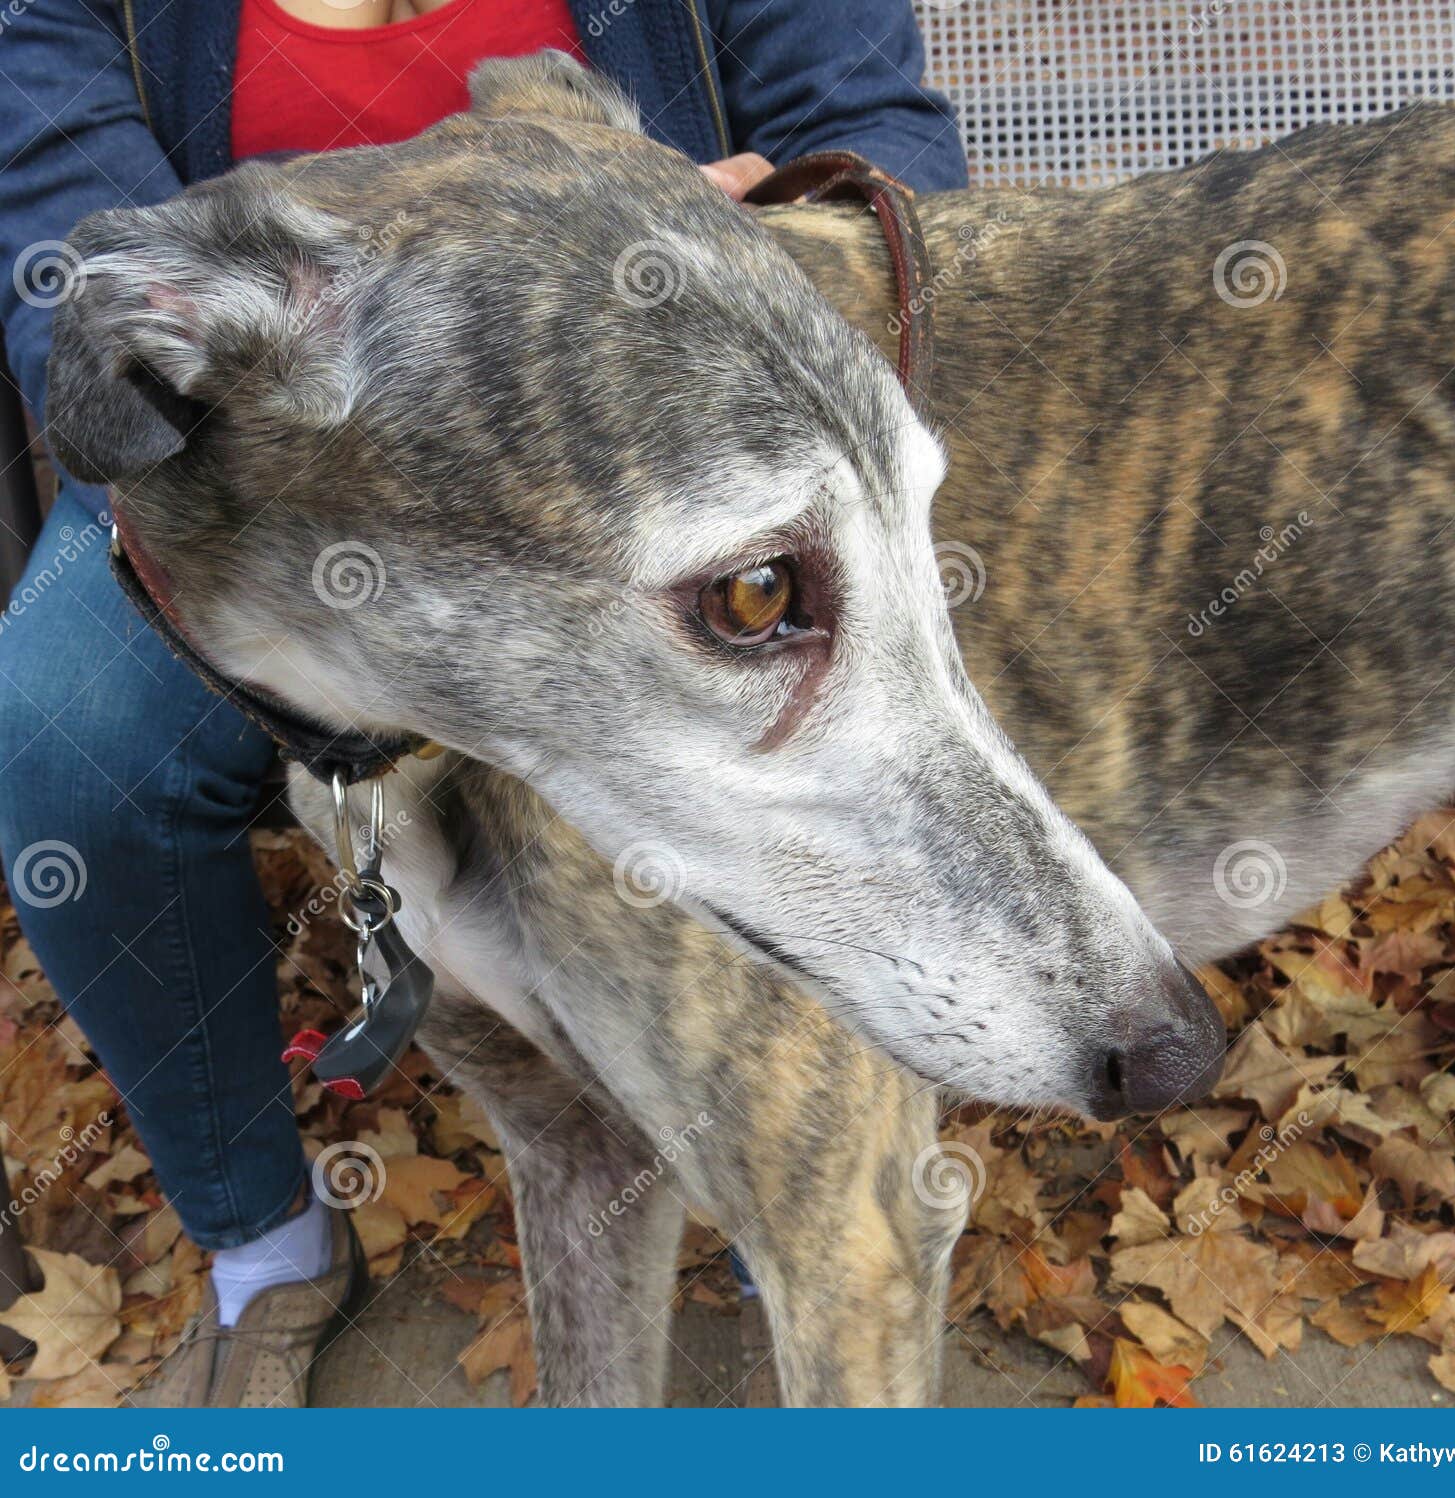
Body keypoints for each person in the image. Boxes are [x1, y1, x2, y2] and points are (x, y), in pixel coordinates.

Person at [0, 0, 966, 1407]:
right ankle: (265, 1240)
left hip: (657, 475)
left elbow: (886, 156)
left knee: (735, 702)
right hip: (257, 480)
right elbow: (74, 289)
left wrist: (729, 264)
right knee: (60, 738)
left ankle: (795, 1179)